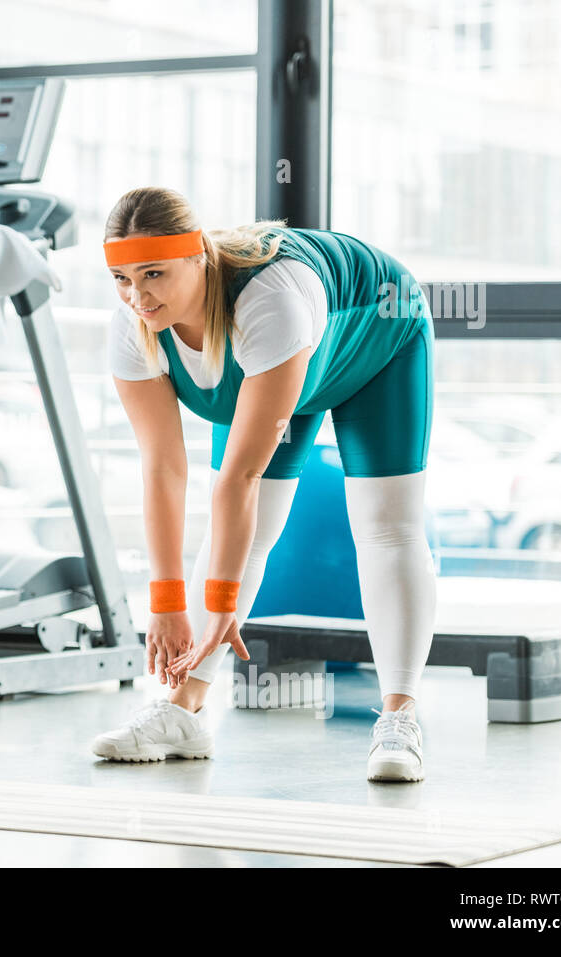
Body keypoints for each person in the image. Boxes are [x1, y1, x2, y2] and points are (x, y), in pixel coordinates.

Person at [89, 186, 436, 783]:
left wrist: (223, 607)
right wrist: (166, 604)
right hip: (282, 360)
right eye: (121, 278)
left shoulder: (268, 302)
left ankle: (400, 718)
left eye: (153, 274)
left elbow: (237, 479)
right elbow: (164, 469)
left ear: (197, 254)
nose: (137, 296)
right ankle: (184, 710)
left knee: (385, 527)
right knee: (249, 534)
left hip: (377, 335)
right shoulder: (133, 328)